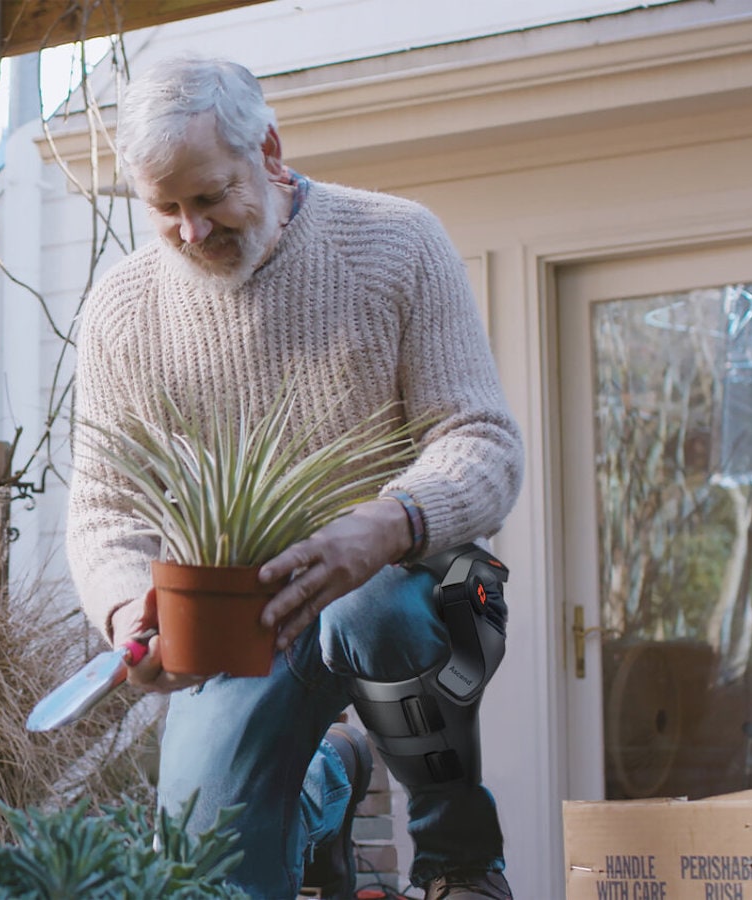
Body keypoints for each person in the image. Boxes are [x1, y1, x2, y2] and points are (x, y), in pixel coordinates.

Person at [65, 57, 524, 899]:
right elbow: (105, 509)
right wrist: (130, 608)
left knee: (371, 608)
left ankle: (459, 859)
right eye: (164, 210)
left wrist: (386, 524)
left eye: (210, 197)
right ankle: (329, 786)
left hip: (408, 584)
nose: (192, 232)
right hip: (242, 619)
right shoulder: (124, 311)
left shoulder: (396, 242)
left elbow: (482, 439)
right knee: (203, 877)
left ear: (269, 150)